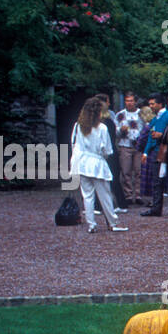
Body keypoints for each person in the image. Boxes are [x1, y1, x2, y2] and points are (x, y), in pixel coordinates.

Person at [71, 98, 123, 233]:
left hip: (81, 162)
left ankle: (91, 224)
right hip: (97, 163)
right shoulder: (102, 128)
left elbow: (73, 144)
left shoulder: (78, 125)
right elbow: (108, 150)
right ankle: (112, 222)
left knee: (87, 196)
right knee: (105, 195)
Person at [141, 92, 168, 216]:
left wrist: (161, 135)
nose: (151, 106)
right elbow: (150, 138)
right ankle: (156, 208)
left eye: (153, 104)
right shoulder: (155, 118)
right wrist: (146, 152)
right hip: (157, 152)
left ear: (159, 104)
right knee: (157, 181)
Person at [114, 92, 145, 204]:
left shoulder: (141, 114)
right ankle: (128, 195)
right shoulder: (120, 115)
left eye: (131, 100)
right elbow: (115, 132)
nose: (129, 103)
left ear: (135, 102)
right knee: (125, 171)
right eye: (127, 101)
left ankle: (138, 195)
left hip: (138, 146)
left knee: (139, 171)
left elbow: (146, 128)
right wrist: (120, 131)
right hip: (125, 145)